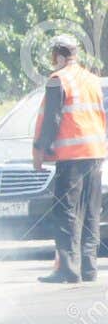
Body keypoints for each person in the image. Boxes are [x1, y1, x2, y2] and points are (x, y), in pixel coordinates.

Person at [33, 34, 105, 284]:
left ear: (59, 56)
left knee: (66, 213)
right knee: (90, 211)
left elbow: (52, 121)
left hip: (72, 156)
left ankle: (67, 269)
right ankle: (88, 267)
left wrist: (40, 152)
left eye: (53, 55)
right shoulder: (93, 80)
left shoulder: (58, 80)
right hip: (95, 153)